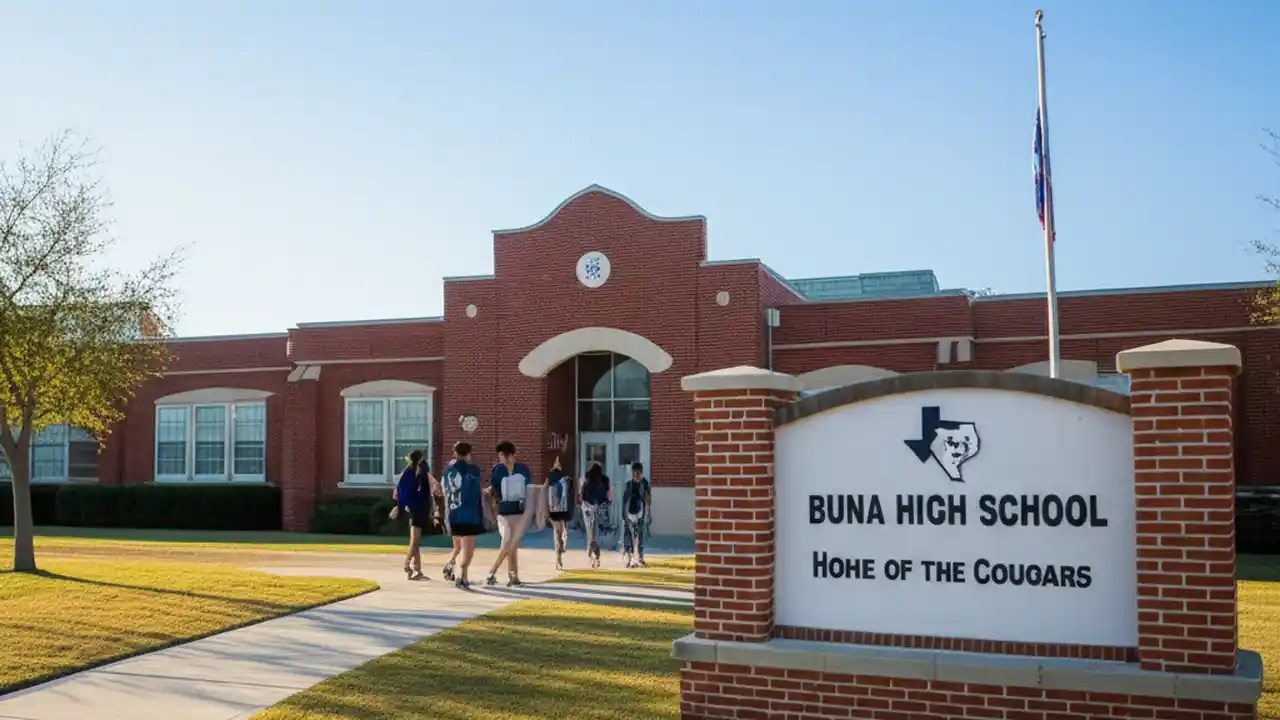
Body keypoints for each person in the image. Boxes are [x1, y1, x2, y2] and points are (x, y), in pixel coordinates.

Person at [485, 440, 532, 587]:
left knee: (513, 545)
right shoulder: (498, 470)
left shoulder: (522, 469)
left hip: (519, 512)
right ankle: (491, 572)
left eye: (502, 455)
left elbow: (528, 489)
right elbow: (494, 490)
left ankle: (513, 576)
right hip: (503, 513)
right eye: (499, 455)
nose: (501, 458)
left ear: (510, 455)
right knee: (507, 542)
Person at [440, 441, 485, 589]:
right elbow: (476, 491)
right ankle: (462, 576)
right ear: (469, 454)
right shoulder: (472, 470)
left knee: (458, 546)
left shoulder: (448, 470)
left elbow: (443, 489)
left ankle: (450, 563)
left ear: (455, 452)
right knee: (468, 549)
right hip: (469, 514)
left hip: (453, 514)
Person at [391, 450, 432, 580]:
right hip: (417, 509)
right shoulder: (415, 473)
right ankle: (407, 565)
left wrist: (401, 506)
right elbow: (405, 492)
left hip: (416, 509)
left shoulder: (412, 472)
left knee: (416, 540)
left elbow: (402, 491)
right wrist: (400, 506)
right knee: (415, 540)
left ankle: (417, 569)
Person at [580, 461, 611, 569]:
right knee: (594, 534)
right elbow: (608, 497)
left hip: (588, 509)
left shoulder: (587, 480)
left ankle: (592, 554)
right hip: (598, 509)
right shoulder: (604, 480)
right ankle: (594, 555)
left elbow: (582, 497)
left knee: (591, 534)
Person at [546, 455, 575, 570]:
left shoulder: (550, 477)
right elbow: (569, 496)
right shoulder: (566, 479)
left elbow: (545, 491)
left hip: (553, 509)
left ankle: (558, 556)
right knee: (564, 531)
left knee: (556, 532)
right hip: (564, 509)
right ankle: (562, 546)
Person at [621, 461, 652, 568]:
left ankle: (640, 557)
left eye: (638, 473)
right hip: (630, 513)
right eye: (634, 473)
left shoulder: (644, 483)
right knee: (629, 535)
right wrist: (623, 514)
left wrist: (647, 513)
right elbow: (625, 499)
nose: (636, 476)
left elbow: (648, 499)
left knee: (640, 535)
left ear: (641, 473)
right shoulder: (629, 484)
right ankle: (630, 558)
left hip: (640, 513)